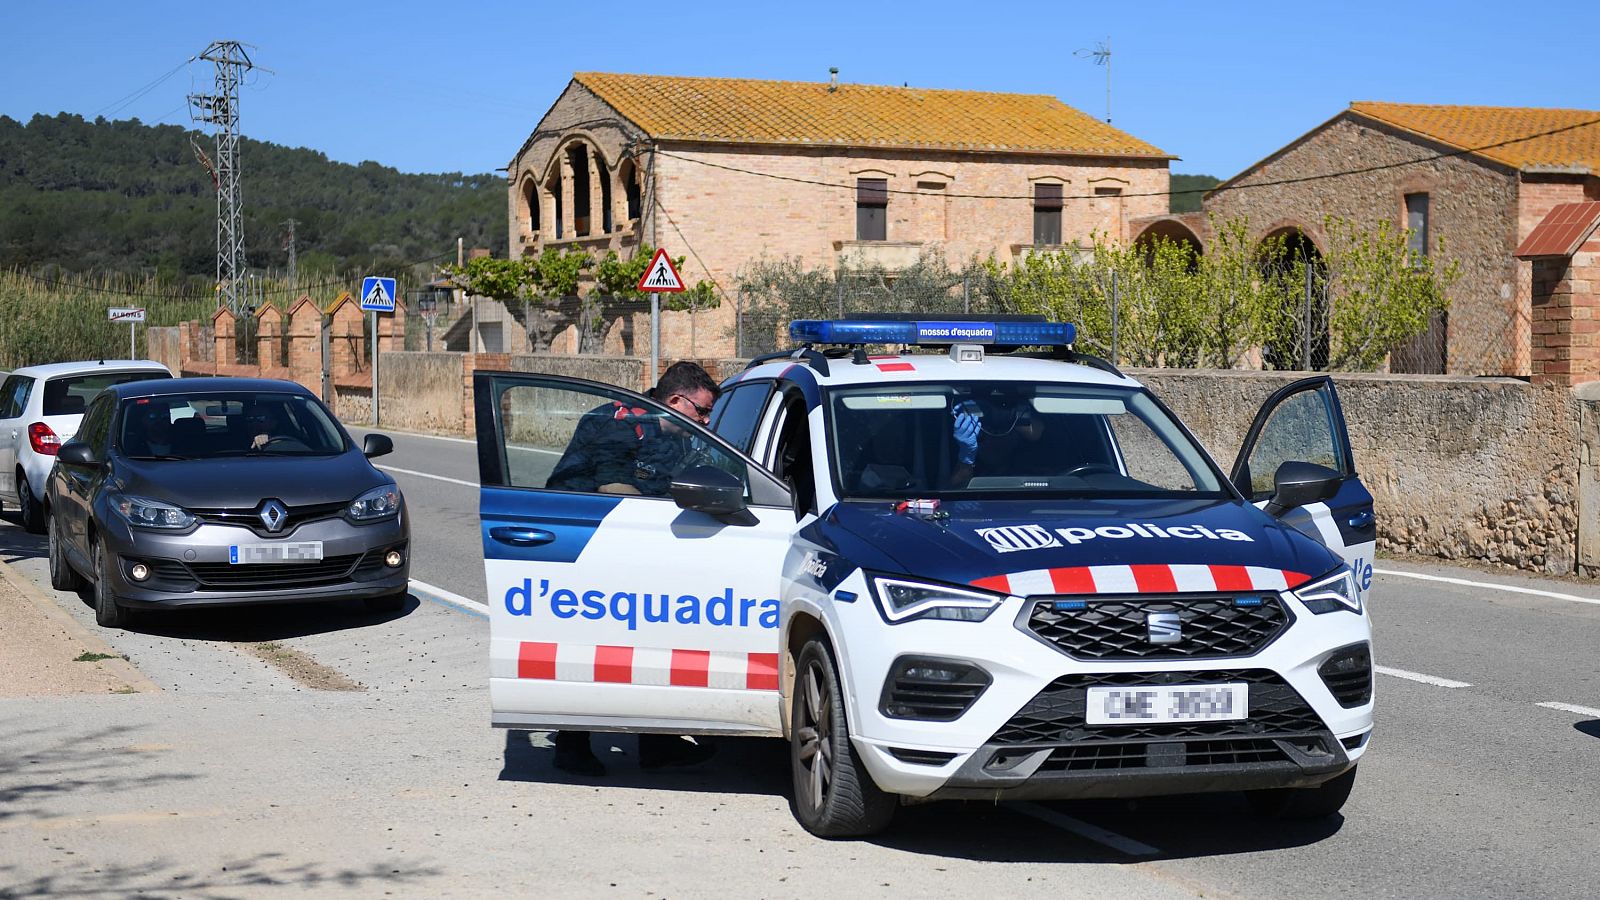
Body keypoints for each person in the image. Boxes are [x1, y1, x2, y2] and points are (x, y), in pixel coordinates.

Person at [546, 361, 723, 776]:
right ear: (676, 402)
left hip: (632, 549)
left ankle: (656, 746)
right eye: (702, 410)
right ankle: (571, 746)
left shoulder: (672, 429)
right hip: (589, 548)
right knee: (594, 653)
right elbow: (615, 491)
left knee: (652, 650)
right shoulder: (621, 424)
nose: (707, 419)